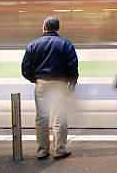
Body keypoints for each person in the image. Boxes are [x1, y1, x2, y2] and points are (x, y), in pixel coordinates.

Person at [22, 16, 78, 160]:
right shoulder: (66, 44)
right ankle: (59, 150)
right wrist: (72, 82)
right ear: (57, 28)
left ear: (44, 27)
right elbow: (73, 65)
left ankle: (42, 151)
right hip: (60, 84)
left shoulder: (33, 44)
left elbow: (25, 68)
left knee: (41, 118)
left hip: (42, 83)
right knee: (59, 118)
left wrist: (36, 80)